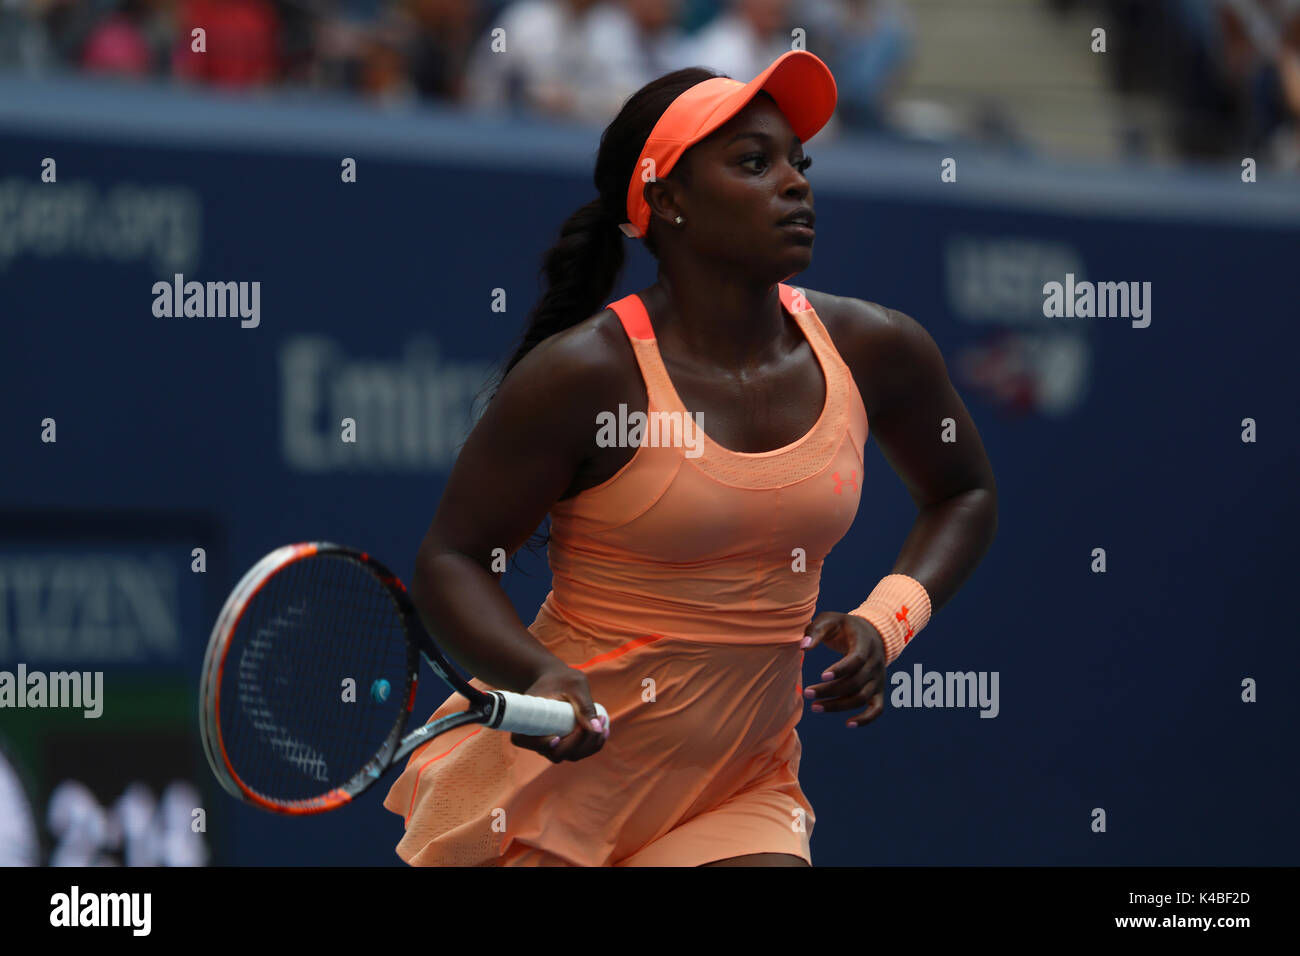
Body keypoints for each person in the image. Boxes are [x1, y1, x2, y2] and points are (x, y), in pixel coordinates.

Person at [383, 50, 998, 866]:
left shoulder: (877, 347)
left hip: (741, 790)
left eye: (797, 162)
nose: (795, 183)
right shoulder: (585, 374)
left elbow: (965, 493)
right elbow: (452, 561)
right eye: (754, 163)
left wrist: (887, 625)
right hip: (548, 796)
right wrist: (537, 674)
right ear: (667, 201)